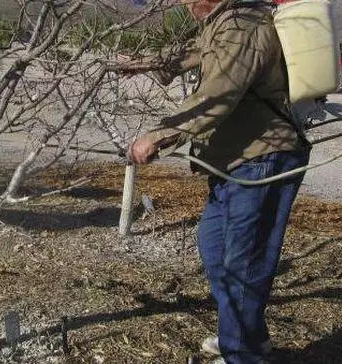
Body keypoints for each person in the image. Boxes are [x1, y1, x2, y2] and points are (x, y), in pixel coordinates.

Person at [122, 0, 312, 363]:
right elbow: (199, 51)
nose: (184, 4)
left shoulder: (244, 24)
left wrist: (159, 136)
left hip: (263, 158)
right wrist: (149, 63)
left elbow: (218, 94)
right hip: (235, 162)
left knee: (243, 263)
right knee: (213, 247)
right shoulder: (223, 22)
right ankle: (246, 337)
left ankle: (241, 353)